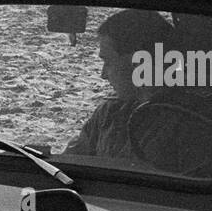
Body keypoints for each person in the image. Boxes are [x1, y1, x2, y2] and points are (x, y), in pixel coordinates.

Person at [64, 9, 174, 157]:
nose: (103, 75)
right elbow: (70, 161)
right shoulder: (109, 112)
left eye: (108, 62)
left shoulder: (184, 125)